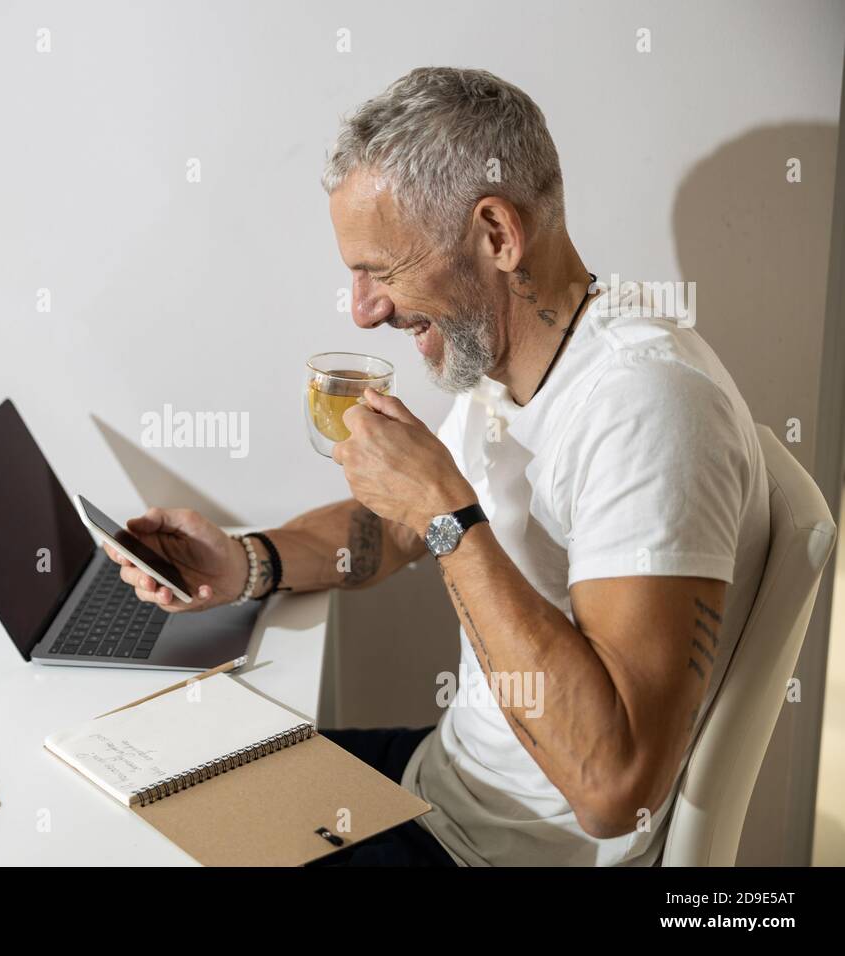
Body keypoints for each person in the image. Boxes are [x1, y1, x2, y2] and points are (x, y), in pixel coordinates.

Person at [105, 67, 770, 866]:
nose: (363, 309)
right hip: (439, 785)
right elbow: (397, 533)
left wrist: (445, 512)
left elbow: (614, 788)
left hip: (493, 854)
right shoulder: (513, 361)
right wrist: (248, 561)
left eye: (380, 270)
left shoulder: (648, 406)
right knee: (153, 794)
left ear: (496, 234)